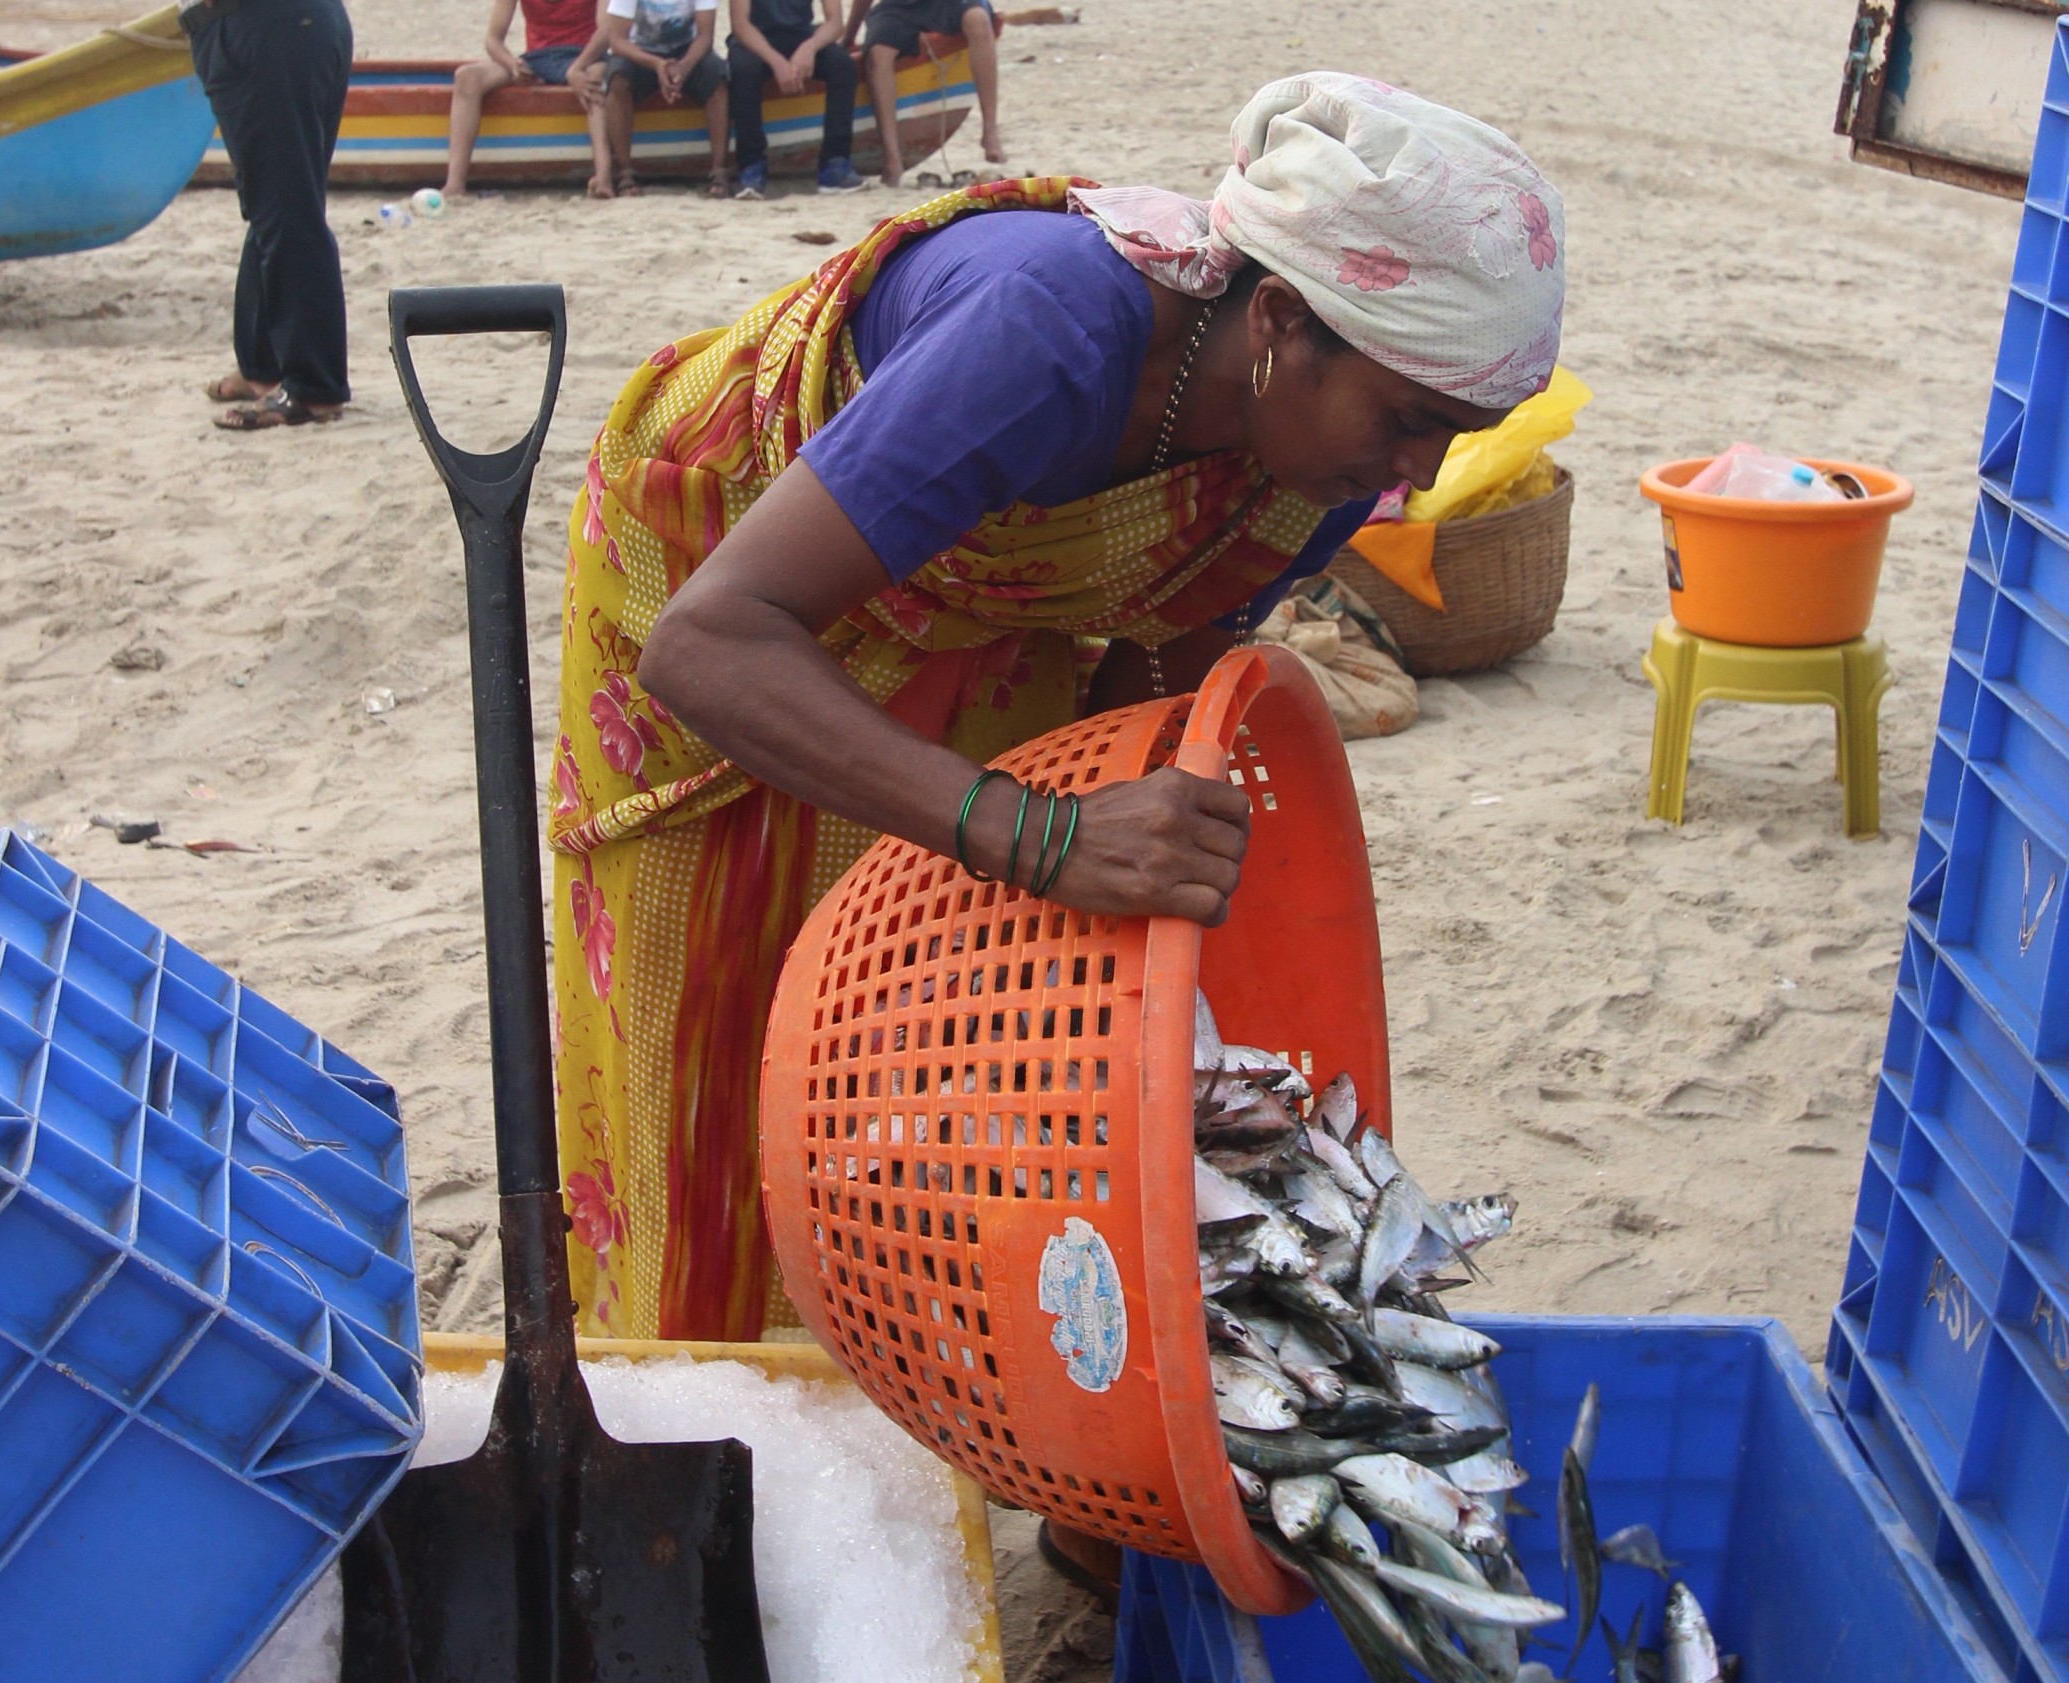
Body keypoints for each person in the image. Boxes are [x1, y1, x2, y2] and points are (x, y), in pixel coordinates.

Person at [551, 74, 1563, 1593]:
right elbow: (714, 643)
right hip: (732, 592)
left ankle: (990, 1441)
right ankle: (661, 1493)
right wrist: (1021, 833)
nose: (1416, 477)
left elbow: (1145, 669)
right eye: (1411, 422)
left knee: (914, 1052)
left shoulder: (1316, 461)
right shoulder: (1049, 333)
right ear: (1278, 319)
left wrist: (1117, 909)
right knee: (703, 1060)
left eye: (1457, 434)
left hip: (976, 610)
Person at [184, 0, 353, 430]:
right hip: (280, 25)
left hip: (270, 28)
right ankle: (265, 365)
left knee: (286, 206)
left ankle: (313, 387)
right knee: (272, 201)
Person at [444, 0, 615, 199]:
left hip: (586, 55)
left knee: (594, 78)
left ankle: (604, 178)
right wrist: (513, 64)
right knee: (466, 77)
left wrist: (577, 68)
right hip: (538, 57)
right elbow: (493, 40)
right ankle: (454, 183)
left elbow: (606, 31)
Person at [573, 0, 731, 197]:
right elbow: (618, 41)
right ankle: (625, 172)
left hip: (686, 51)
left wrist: (683, 68)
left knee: (718, 77)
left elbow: (705, 36)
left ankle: (719, 170)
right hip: (640, 52)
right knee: (617, 80)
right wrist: (656, 64)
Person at [844, 0, 1001, 186]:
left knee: (978, 19)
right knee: (878, 53)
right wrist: (849, 37)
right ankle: (892, 159)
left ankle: (990, 131)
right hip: (898, 7)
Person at [727, 0, 862, 196]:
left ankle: (835, 163)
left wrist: (810, 47)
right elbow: (740, 24)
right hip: (754, 39)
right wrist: (776, 61)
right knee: (744, 69)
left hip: (800, 35)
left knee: (843, 65)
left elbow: (835, 23)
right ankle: (751, 167)